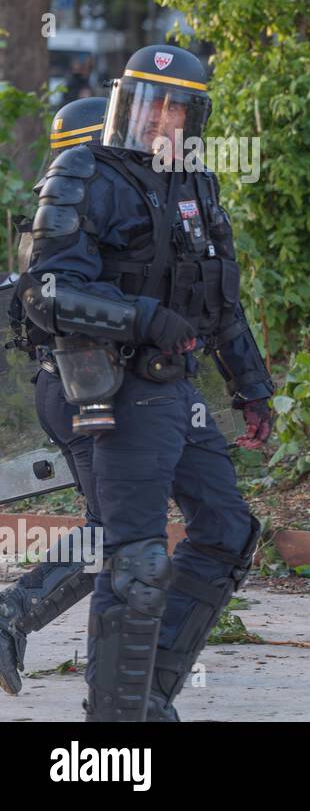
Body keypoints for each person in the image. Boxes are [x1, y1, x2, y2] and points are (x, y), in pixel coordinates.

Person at [17, 44, 274, 720]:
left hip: (173, 389)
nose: (160, 118)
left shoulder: (197, 183)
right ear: (122, 103)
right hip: (108, 385)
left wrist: (251, 387)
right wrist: (142, 316)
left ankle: (147, 693)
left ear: (196, 118)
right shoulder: (84, 170)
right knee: (133, 555)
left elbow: (221, 303)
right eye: (147, 102)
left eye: (175, 106)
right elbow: (45, 292)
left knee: (226, 531)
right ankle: (116, 726)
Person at [0, 96, 108, 697]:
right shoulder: (78, 209)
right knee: (116, 527)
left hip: (63, 385)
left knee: (116, 524)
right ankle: (14, 612)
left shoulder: (56, 205)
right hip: (80, 387)